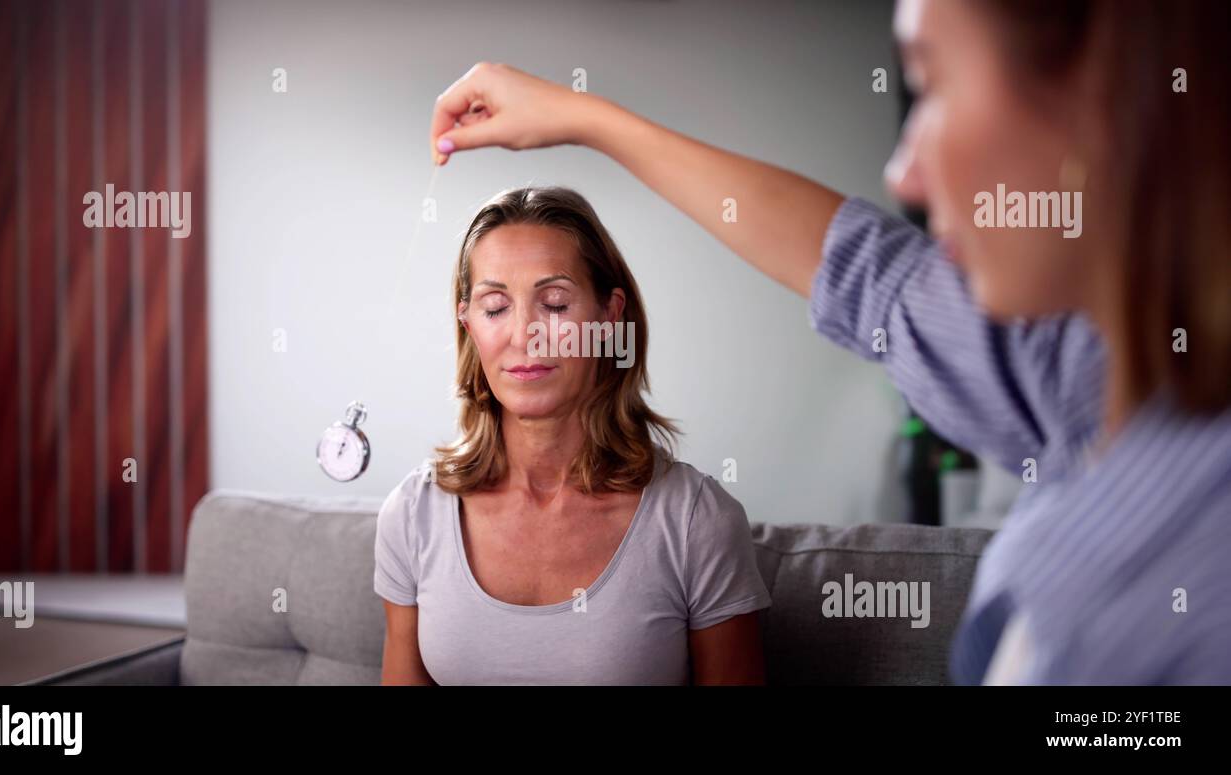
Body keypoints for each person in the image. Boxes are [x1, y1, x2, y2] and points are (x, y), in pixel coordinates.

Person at [427, 0, 1231, 684]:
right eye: (494, 303)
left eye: (933, 83)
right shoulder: (1082, 373)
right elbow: (868, 273)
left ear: (1103, 98)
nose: (905, 174)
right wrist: (584, 119)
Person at [374, 185, 772, 685]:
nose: (525, 335)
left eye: (556, 304)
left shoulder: (697, 520)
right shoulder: (413, 514)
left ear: (609, 315)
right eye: (495, 307)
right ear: (469, 323)